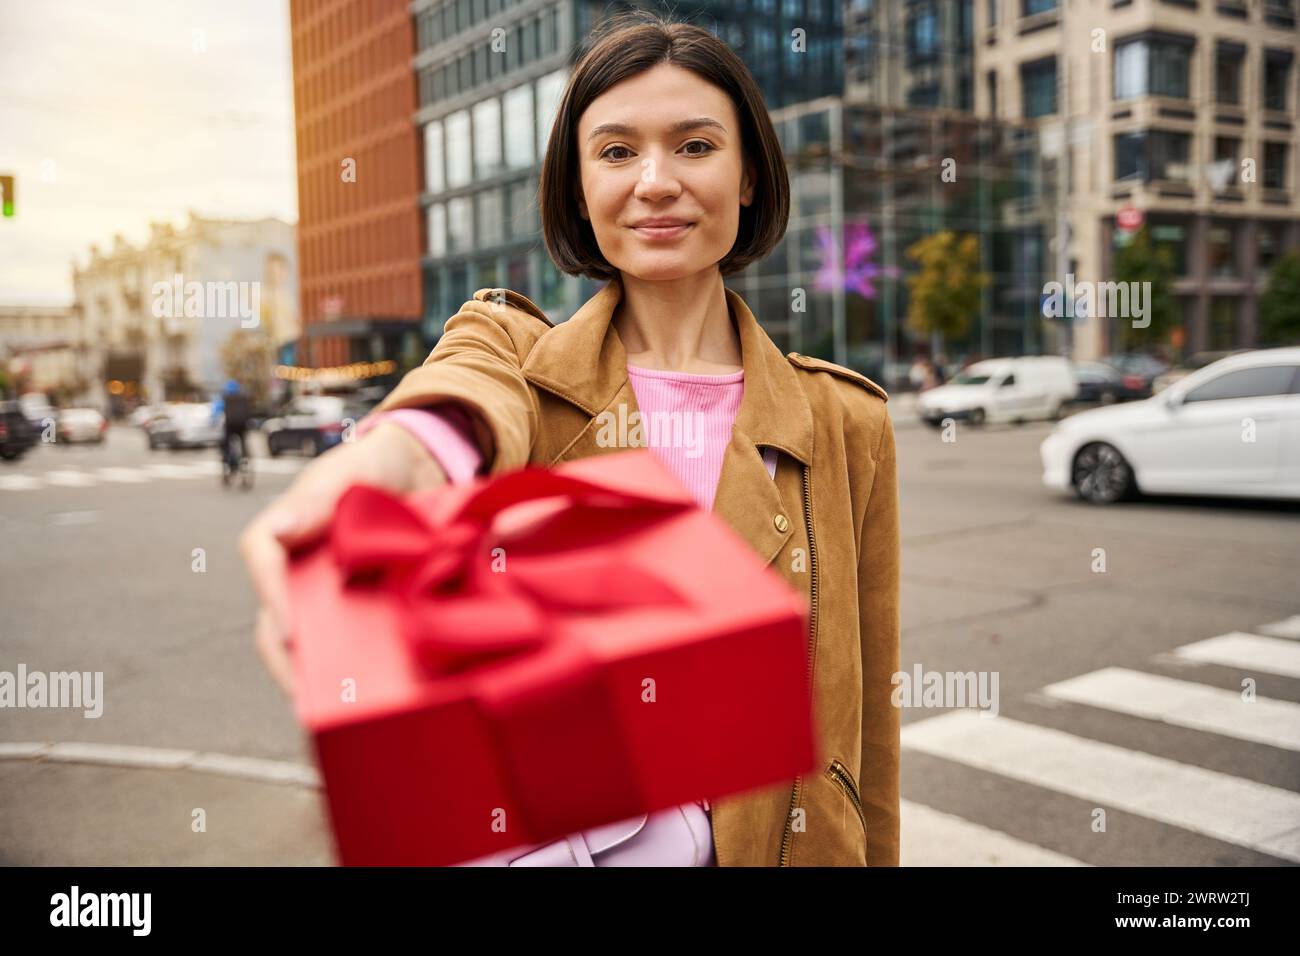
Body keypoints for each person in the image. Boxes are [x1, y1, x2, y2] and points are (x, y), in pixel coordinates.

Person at [240, 12, 900, 868]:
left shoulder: (846, 420)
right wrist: (392, 458)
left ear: (747, 177)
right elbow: (462, 393)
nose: (656, 182)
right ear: (579, 188)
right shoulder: (517, 359)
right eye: (617, 152)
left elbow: (870, 736)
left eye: (696, 146)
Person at [212, 379, 252, 471]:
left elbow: (217, 409)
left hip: (230, 425)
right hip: (242, 425)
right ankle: (245, 456)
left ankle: (227, 460)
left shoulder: (225, 397)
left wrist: (213, 420)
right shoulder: (243, 397)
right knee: (243, 441)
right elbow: (249, 410)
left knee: (225, 443)